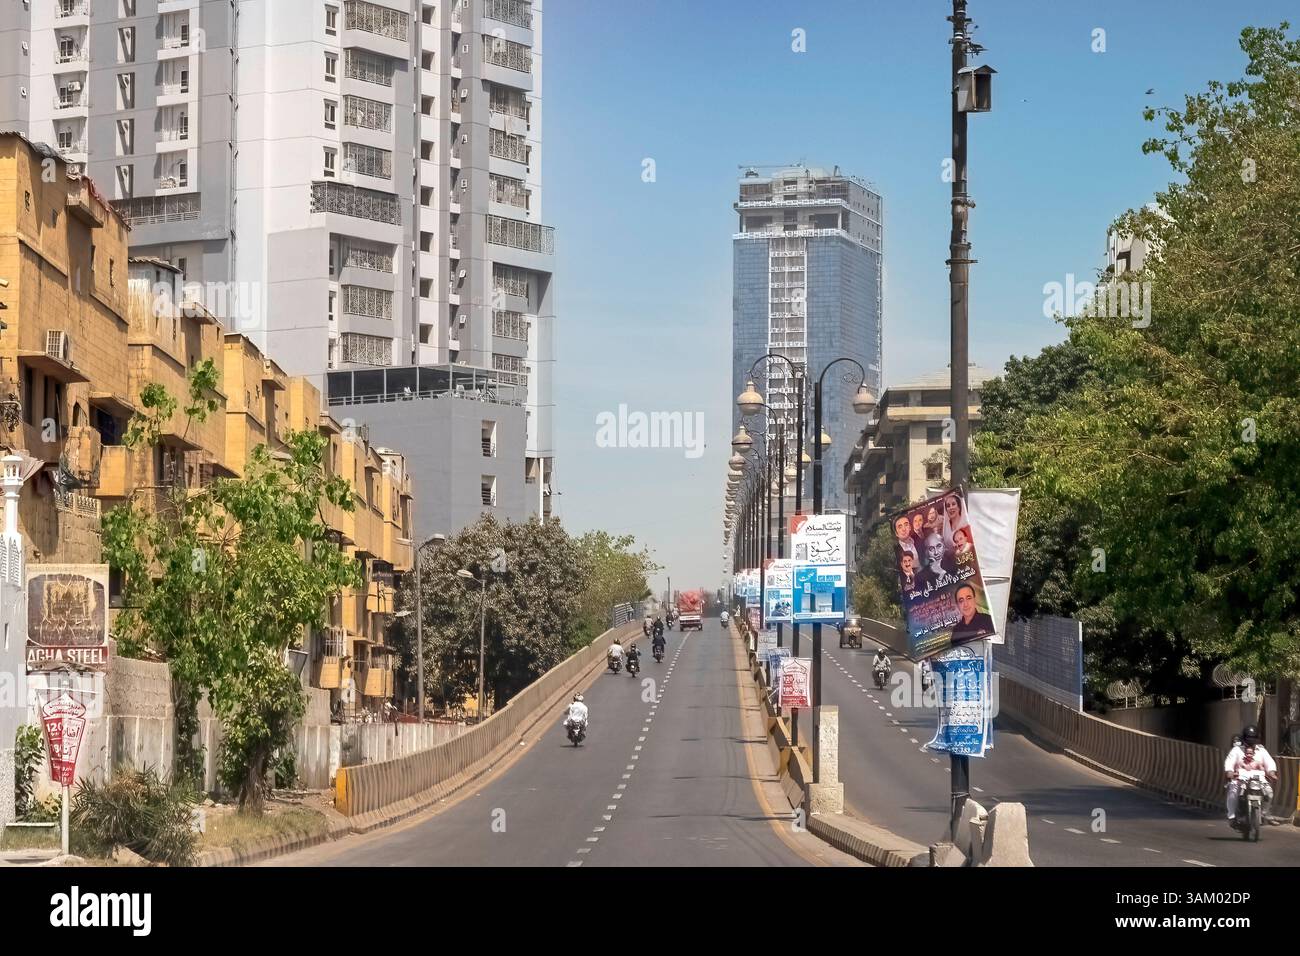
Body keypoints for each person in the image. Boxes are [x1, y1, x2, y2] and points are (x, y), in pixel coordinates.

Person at [1225, 725, 1278, 824]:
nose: (1251, 741)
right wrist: (1230, 771)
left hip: (1258, 780)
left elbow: (1269, 762)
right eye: (1249, 738)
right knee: (1232, 791)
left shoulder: (1261, 750)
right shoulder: (1236, 750)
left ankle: (1263, 813)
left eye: (1253, 738)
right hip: (1240, 780)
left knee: (1269, 792)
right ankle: (1232, 816)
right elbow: (1229, 761)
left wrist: (1271, 772)